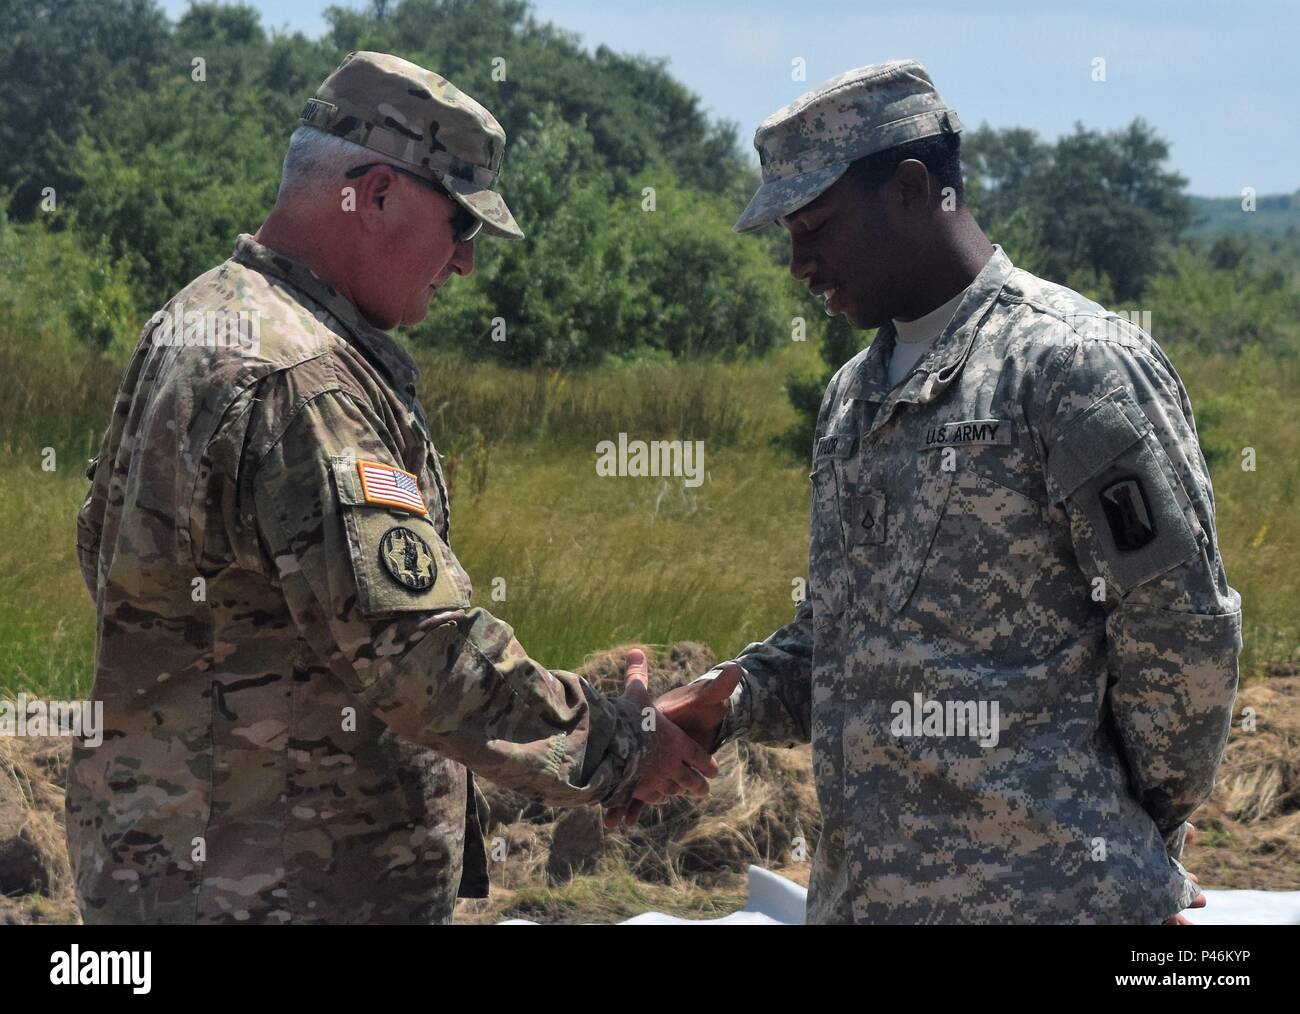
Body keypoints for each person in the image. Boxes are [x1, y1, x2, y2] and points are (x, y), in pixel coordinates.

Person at [69, 51, 721, 925]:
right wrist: (621, 742)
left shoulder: (196, 320)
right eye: (463, 226)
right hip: (274, 890)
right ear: (375, 196)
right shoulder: (304, 380)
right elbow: (420, 655)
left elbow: (102, 549)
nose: (465, 266)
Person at [622, 59, 1241, 925]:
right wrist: (729, 699)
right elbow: (845, 631)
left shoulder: (1068, 366)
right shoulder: (853, 395)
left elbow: (1182, 636)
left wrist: (1133, 841)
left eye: (817, 226)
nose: (799, 262)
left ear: (911, 190)